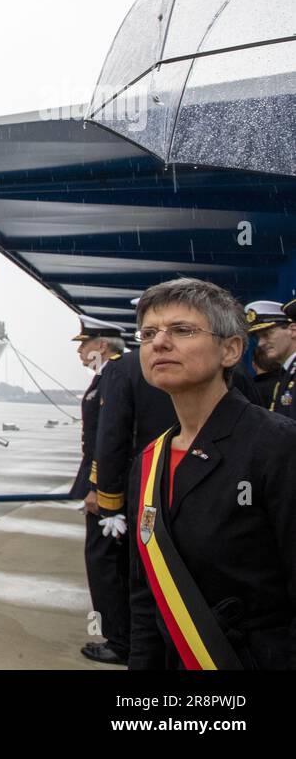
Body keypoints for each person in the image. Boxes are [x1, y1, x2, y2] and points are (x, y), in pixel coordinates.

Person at [127, 278, 296, 670]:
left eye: (182, 330)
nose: (159, 343)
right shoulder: (149, 462)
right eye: (148, 333)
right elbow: (144, 598)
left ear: (231, 350)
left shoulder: (277, 446)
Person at [65, 315, 130, 664]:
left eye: (84, 344)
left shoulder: (113, 377)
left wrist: (96, 488)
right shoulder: (107, 377)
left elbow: (109, 440)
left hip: (106, 491)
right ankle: (120, 635)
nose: (80, 351)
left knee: (104, 563)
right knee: (108, 563)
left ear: (101, 346)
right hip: (105, 485)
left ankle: (119, 640)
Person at [243, 300, 296, 418]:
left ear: (292, 330)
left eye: (267, 334)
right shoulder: (286, 373)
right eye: (258, 337)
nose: (260, 343)